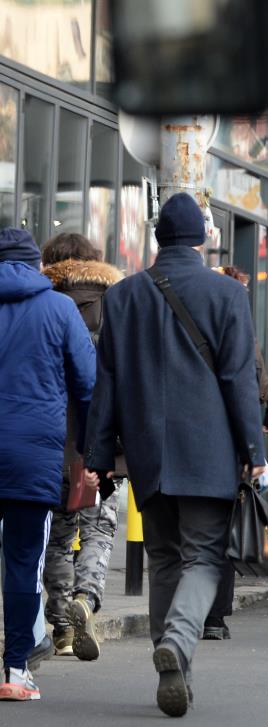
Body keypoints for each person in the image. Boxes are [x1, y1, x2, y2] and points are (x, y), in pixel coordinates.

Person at [85, 193, 265, 717]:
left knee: (163, 559)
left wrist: (98, 455)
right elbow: (237, 380)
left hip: (148, 454)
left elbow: (107, 383)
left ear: (159, 239)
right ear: (202, 240)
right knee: (203, 557)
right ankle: (179, 641)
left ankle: (175, 671)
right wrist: (253, 451)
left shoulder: (122, 297)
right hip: (208, 453)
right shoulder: (227, 294)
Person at [0, 228, 95, 702]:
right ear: (38, 266)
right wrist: (91, 447)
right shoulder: (59, 308)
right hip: (32, 457)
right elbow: (88, 383)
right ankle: (15, 671)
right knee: (23, 562)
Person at [39, 233, 125, 660]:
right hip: (102, 439)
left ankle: (61, 628)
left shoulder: (43, 304)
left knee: (57, 536)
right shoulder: (116, 305)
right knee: (98, 528)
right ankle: (86, 599)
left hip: (53, 439)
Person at [202, 265, 268, 642]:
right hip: (227, 447)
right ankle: (215, 617)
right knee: (222, 530)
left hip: (187, 445)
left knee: (186, 534)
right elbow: (257, 388)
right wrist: (253, 453)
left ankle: (185, 613)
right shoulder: (241, 333)